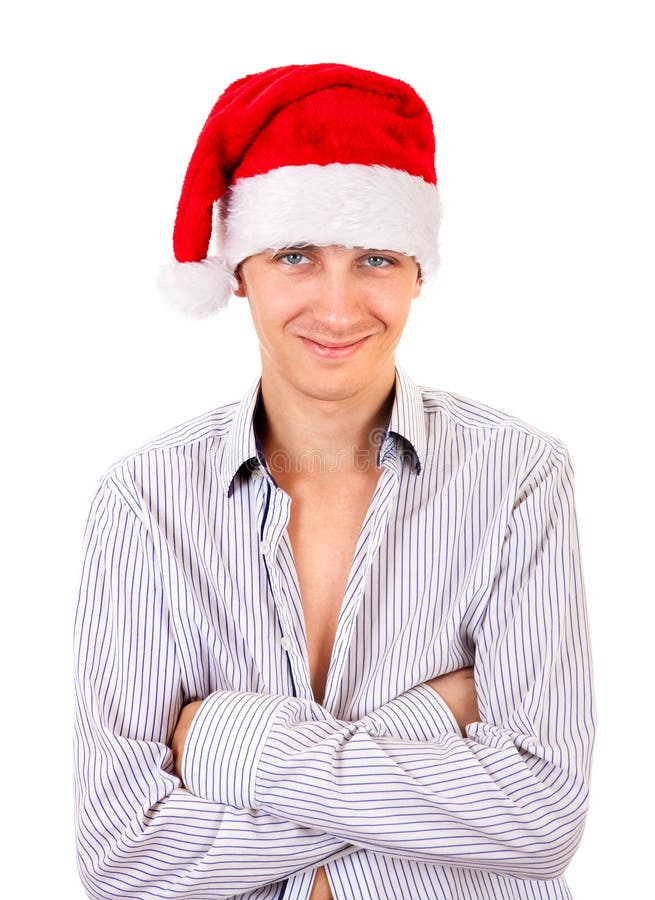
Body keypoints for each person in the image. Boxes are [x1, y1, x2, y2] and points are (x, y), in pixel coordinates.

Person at [73, 63, 596, 900]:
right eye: (295, 256)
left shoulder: (517, 478)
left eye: (376, 259)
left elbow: (542, 818)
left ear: (418, 272)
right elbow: (122, 856)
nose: (339, 307)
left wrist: (225, 743)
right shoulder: (144, 502)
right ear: (239, 270)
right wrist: (430, 723)